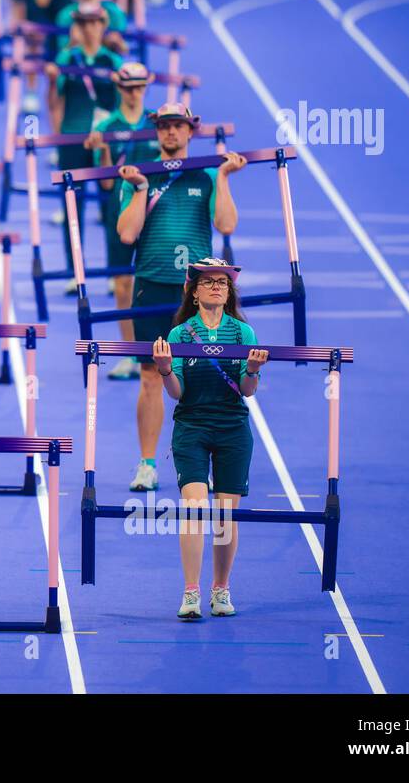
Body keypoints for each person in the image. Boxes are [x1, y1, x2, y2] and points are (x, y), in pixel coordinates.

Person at [116, 102, 245, 492]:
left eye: (179, 126)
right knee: (152, 375)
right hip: (152, 285)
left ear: (191, 131)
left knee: (207, 375)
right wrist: (139, 190)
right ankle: (148, 463)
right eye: (165, 126)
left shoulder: (207, 174)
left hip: (196, 292)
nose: (171, 132)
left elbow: (226, 224)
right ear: (157, 130)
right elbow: (126, 234)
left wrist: (223, 178)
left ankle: (205, 457)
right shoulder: (142, 175)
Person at [152, 258, 269, 619]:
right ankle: (191, 593)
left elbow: (247, 391)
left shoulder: (243, 334)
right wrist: (165, 370)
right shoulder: (180, 335)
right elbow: (176, 393)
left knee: (225, 515)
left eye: (223, 282)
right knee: (193, 509)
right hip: (192, 427)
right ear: (194, 290)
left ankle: (221, 589)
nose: (218, 286)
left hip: (233, 427)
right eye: (210, 281)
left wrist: (251, 370)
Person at [86, 61, 155, 380]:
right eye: (128, 88)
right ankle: (129, 353)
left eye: (139, 87)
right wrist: (100, 151)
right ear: (118, 87)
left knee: (159, 281)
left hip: (156, 214)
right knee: (123, 282)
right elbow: (106, 184)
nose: (134, 93)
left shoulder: (160, 124)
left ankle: (167, 352)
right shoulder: (108, 126)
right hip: (121, 213)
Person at [45, 3, 121, 280]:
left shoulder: (114, 62)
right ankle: (72, 272)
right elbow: (53, 103)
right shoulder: (65, 58)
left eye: (94, 22)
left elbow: (125, 106)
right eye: (83, 23)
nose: (88, 28)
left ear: (103, 24)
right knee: (72, 208)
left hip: (104, 142)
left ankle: (116, 274)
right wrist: (52, 82)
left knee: (111, 207)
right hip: (72, 139)